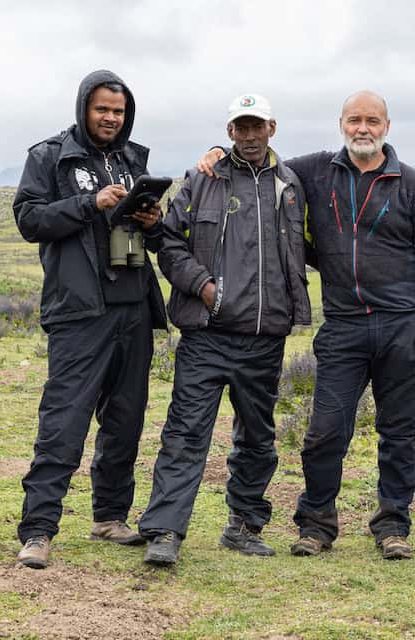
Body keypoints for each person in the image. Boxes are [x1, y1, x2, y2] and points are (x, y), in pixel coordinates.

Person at [199, 90, 415, 560]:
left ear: (387, 127)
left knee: (399, 435)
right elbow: (260, 164)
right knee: (325, 432)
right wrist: (218, 151)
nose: (363, 128)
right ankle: (315, 525)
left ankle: (393, 527)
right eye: (354, 120)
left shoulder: (411, 184)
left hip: (402, 328)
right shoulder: (316, 171)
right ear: (341, 125)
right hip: (344, 327)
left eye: (372, 120)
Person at [138, 94, 311, 566]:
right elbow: (167, 242)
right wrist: (204, 287)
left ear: (272, 127)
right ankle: (165, 531)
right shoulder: (202, 179)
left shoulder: (291, 184)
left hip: (265, 337)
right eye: (241, 127)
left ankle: (244, 527)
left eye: (257, 126)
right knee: (185, 433)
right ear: (229, 131)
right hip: (206, 334)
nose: (250, 136)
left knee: (257, 438)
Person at [12, 70, 168, 569]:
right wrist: (90, 202)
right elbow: (29, 220)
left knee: (125, 419)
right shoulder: (49, 156)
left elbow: (154, 235)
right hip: (79, 311)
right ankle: (38, 530)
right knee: (64, 420)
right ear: (84, 108)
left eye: (119, 111)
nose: (111, 118)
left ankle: (110, 516)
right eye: (102, 109)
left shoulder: (132, 159)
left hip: (133, 305)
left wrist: (151, 220)